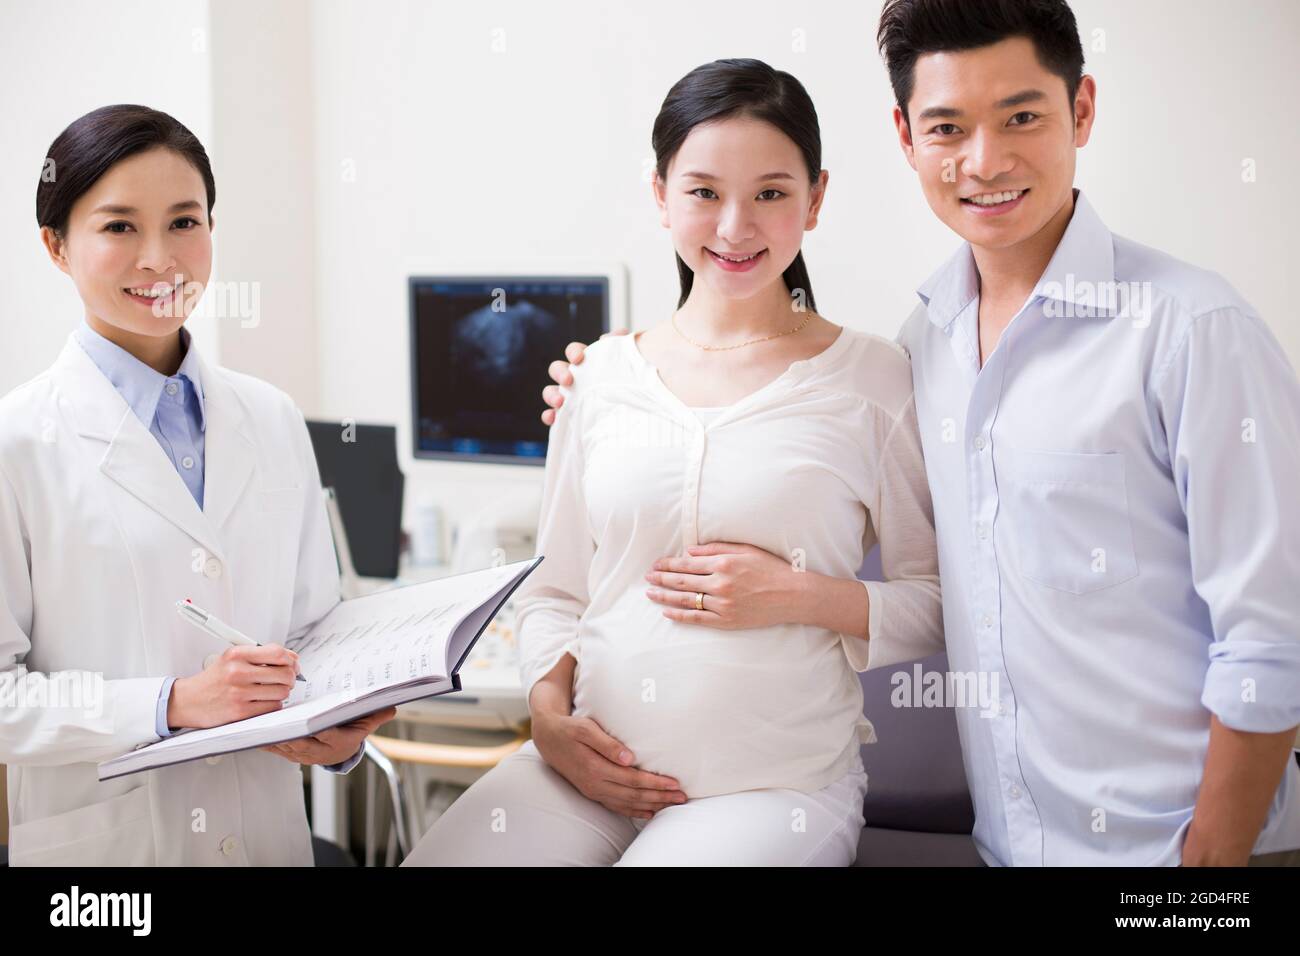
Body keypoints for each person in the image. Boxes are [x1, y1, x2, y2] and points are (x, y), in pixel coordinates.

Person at [541, 0, 1300, 866]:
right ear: (905, 137)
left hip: (1181, 857)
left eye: (1021, 116)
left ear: (1081, 109)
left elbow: (1273, 640)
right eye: (948, 127)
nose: (985, 161)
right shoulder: (925, 346)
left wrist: (1206, 877)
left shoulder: (1192, 330)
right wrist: (606, 392)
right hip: (1009, 846)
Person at [403, 59, 943, 867]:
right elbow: (556, 592)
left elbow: (937, 605)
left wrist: (797, 594)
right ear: (660, 194)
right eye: (703, 192)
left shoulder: (873, 380)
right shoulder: (598, 378)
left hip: (773, 788)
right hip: (586, 771)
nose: (734, 226)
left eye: (770, 192)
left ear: (816, 199)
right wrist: (549, 721)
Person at [0, 105, 394, 866]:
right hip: (110, 862)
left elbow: (314, 629)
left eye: (185, 222)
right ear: (56, 246)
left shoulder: (271, 417)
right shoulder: (17, 443)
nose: (160, 259)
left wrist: (336, 725)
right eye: (118, 228)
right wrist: (172, 706)